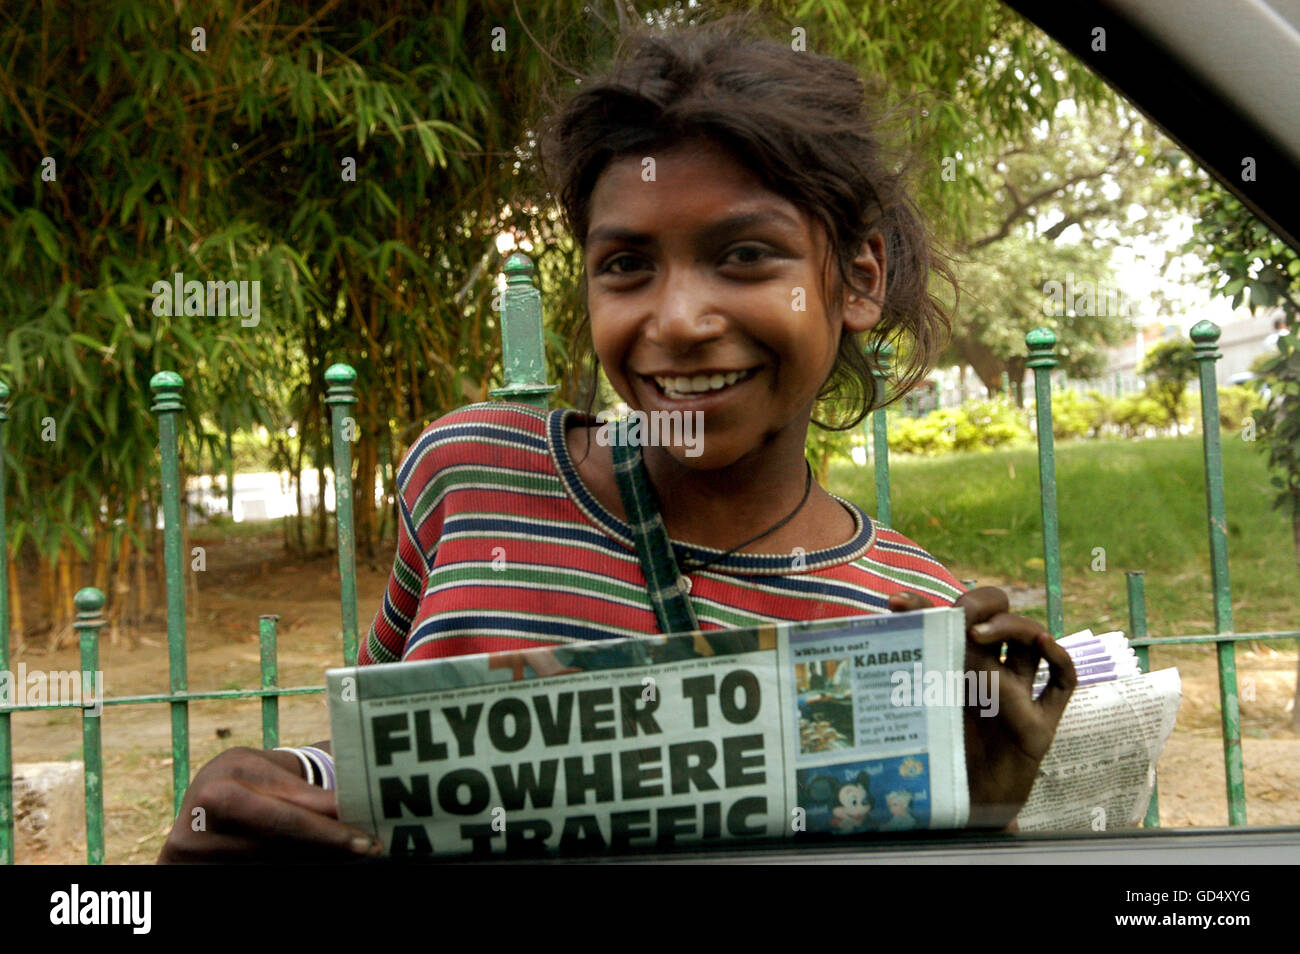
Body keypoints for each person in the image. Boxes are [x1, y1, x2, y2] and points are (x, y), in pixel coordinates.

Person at [158, 13, 1075, 863]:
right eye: (627, 265)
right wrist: (275, 790)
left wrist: (983, 818)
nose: (677, 320)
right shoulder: (472, 477)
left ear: (859, 279)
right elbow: (385, 754)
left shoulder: (916, 624)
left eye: (745, 255)